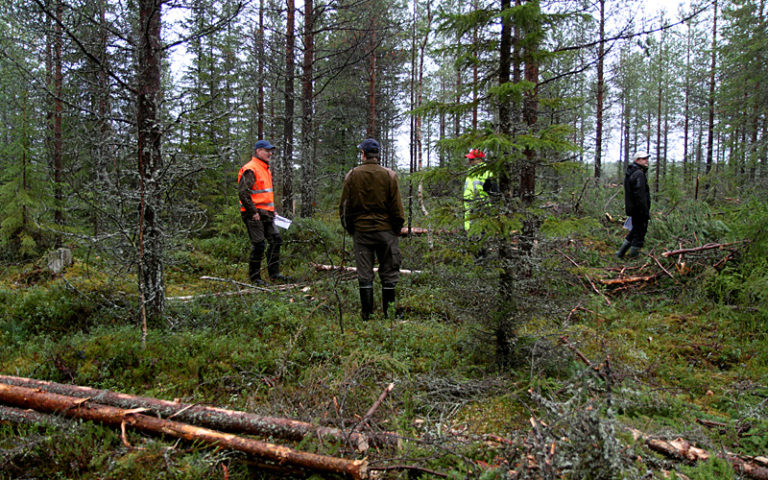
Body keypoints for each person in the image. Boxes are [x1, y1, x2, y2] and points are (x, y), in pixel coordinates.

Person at [339, 138, 405, 320]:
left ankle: (367, 316)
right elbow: (397, 209)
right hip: (386, 232)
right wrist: (395, 230)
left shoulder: (352, 175)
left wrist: (351, 229)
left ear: (363, 154)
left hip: (362, 232)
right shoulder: (390, 175)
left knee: (364, 273)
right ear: (377, 155)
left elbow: (344, 208)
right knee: (389, 272)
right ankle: (389, 315)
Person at [238, 139, 291, 284]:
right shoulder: (251, 168)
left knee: (276, 241)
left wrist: (272, 211)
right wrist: (253, 212)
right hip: (254, 214)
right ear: (258, 151)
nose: (270, 153)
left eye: (270, 151)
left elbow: (264, 195)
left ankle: (274, 274)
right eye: (267, 151)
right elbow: (243, 192)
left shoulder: (265, 169)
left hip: (266, 213)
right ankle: (255, 278)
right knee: (259, 245)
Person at [616, 151, 651, 259]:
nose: (646, 160)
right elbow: (640, 195)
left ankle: (620, 253)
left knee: (635, 230)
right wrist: (644, 211)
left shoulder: (632, 172)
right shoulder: (639, 174)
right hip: (639, 210)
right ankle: (633, 258)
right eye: (643, 158)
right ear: (637, 160)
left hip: (634, 209)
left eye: (647, 158)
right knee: (640, 233)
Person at [463, 149, 498, 235]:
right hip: (469, 209)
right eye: (469, 159)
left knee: (482, 235)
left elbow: (494, 192)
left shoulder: (487, 172)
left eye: (472, 159)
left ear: (479, 159)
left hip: (481, 209)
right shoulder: (470, 173)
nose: (469, 161)